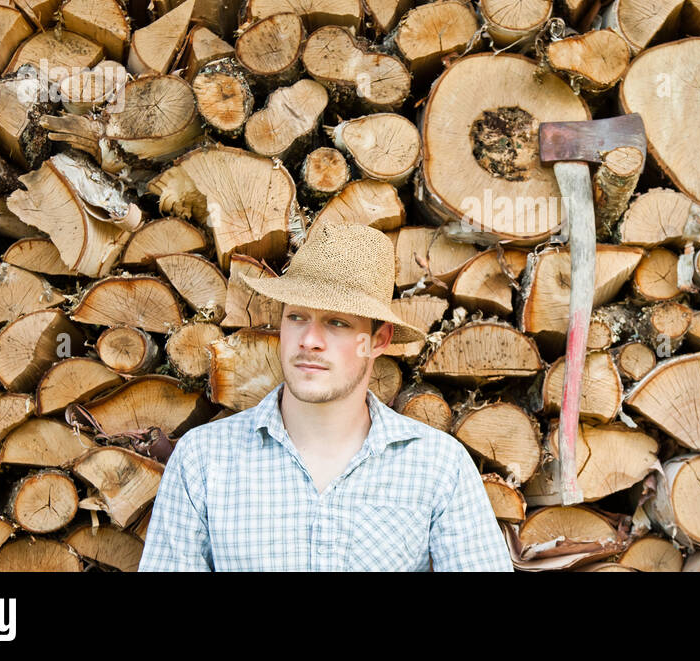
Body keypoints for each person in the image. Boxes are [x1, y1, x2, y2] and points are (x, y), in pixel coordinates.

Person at [139, 222, 513, 571]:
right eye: (297, 317)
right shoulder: (204, 460)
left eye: (337, 322)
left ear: (378, 340)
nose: (309, 340)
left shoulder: (438, 467)